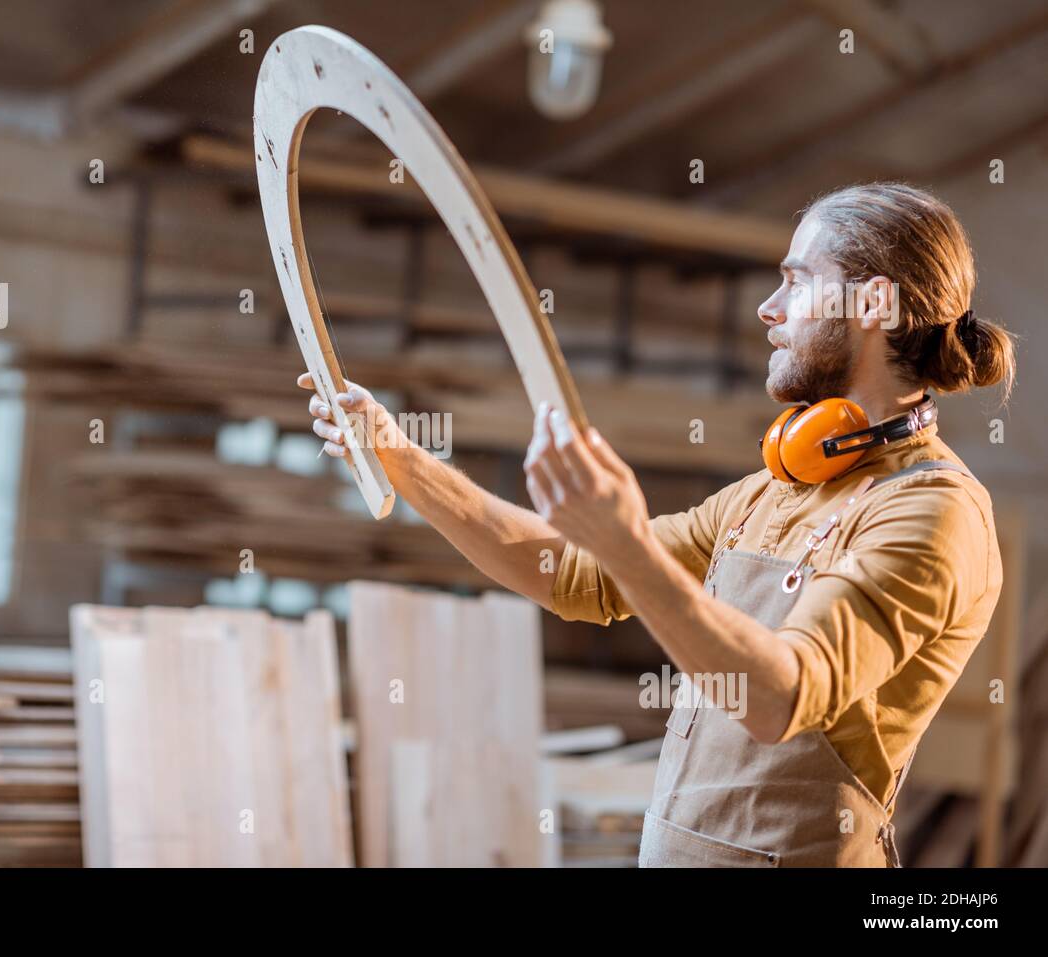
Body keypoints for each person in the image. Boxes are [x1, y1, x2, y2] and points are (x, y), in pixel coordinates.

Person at [297, 182, 1016, 867]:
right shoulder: (773, 490)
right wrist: (400, 457)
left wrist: (628, 543)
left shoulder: (932, 511)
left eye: (797, 281)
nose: (770, 308)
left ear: (874, 302)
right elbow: (573, 575)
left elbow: (779, 694)